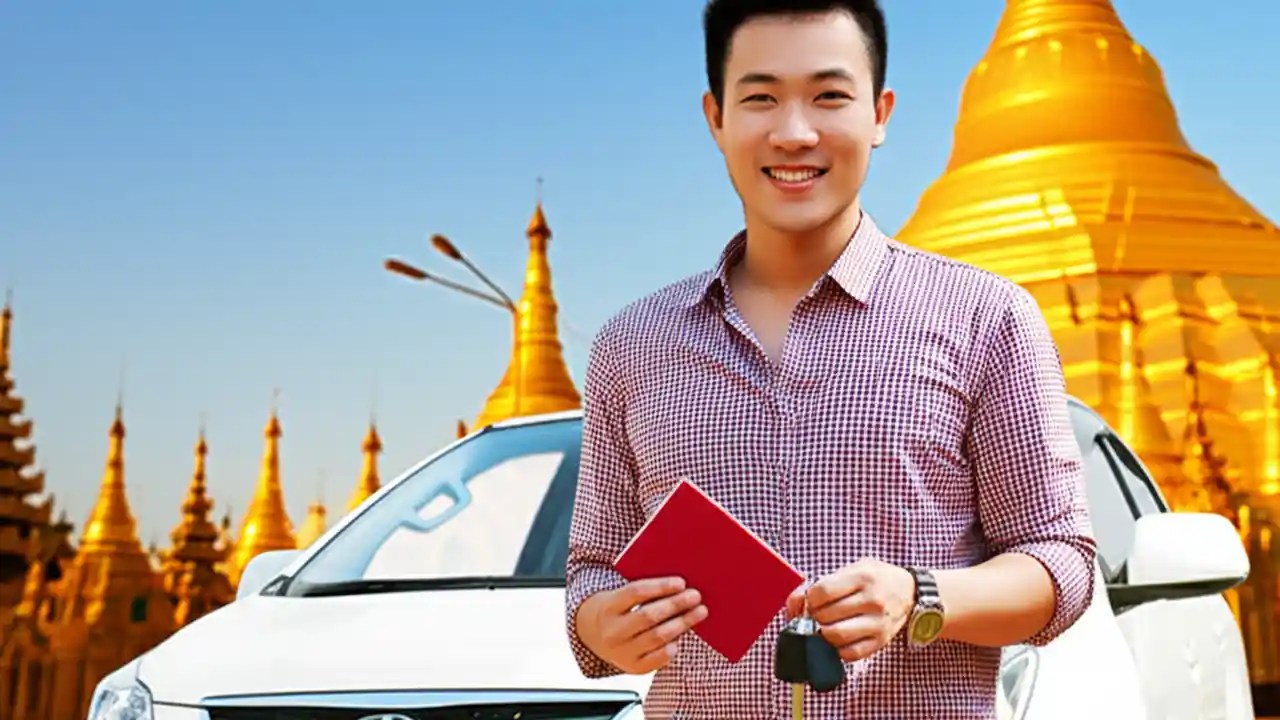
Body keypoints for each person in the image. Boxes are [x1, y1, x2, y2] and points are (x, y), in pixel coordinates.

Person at [563, 0, 1097, 717]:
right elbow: (592, 569)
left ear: (880, 113)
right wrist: (605, 625)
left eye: (829, 96)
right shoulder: (633, 345)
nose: (794, 132)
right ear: (715, 119)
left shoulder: (985, 318)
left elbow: (1060, 562)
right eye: (759, 98)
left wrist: (919, 597)